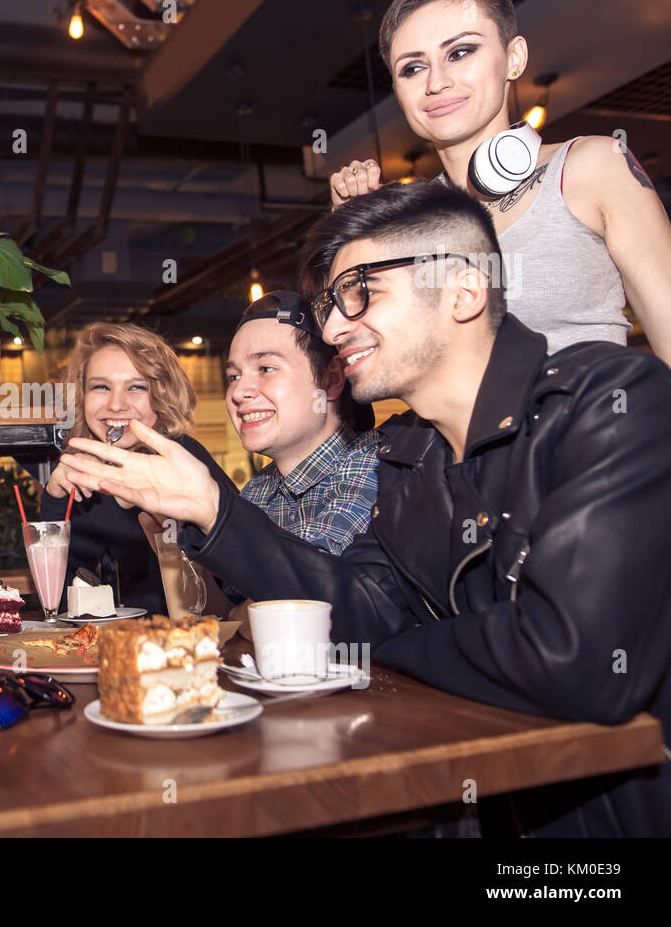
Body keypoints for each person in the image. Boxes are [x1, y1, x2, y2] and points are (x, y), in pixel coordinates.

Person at [60, 182, 671, 836]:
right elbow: (353, 611)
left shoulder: (613, 399)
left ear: (465, 290)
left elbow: (577, 664)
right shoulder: (411, 454)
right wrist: (213, 509)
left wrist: (399, 645)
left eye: (361, 292)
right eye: (329, 302)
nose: (330, 327)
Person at [328, 0, 671, 360]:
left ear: (514, 58)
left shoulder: (592, 166)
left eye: (460, 52)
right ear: (398, 93)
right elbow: (383, 361)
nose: (436, 82)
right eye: (412, 67)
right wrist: (354, 244)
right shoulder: (406, 225)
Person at [38, 322, 234, 616]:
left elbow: (242, 581)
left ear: (162, 396)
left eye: (136, 387)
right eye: (101, 387)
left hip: (190, 646)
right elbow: (58, 605)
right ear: (82, 396)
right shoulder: (79, 479)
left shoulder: (187, 462)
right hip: (106, 649)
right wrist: (54, 499)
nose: (116, 405)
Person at [225, 291, 380, 556]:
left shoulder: (374, 466)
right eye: (234, 376)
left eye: (266, 369)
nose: (239, 392)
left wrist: (210, 511)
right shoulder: (257, 491)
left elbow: (309, 589)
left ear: (330, 380)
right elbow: (231, 596)